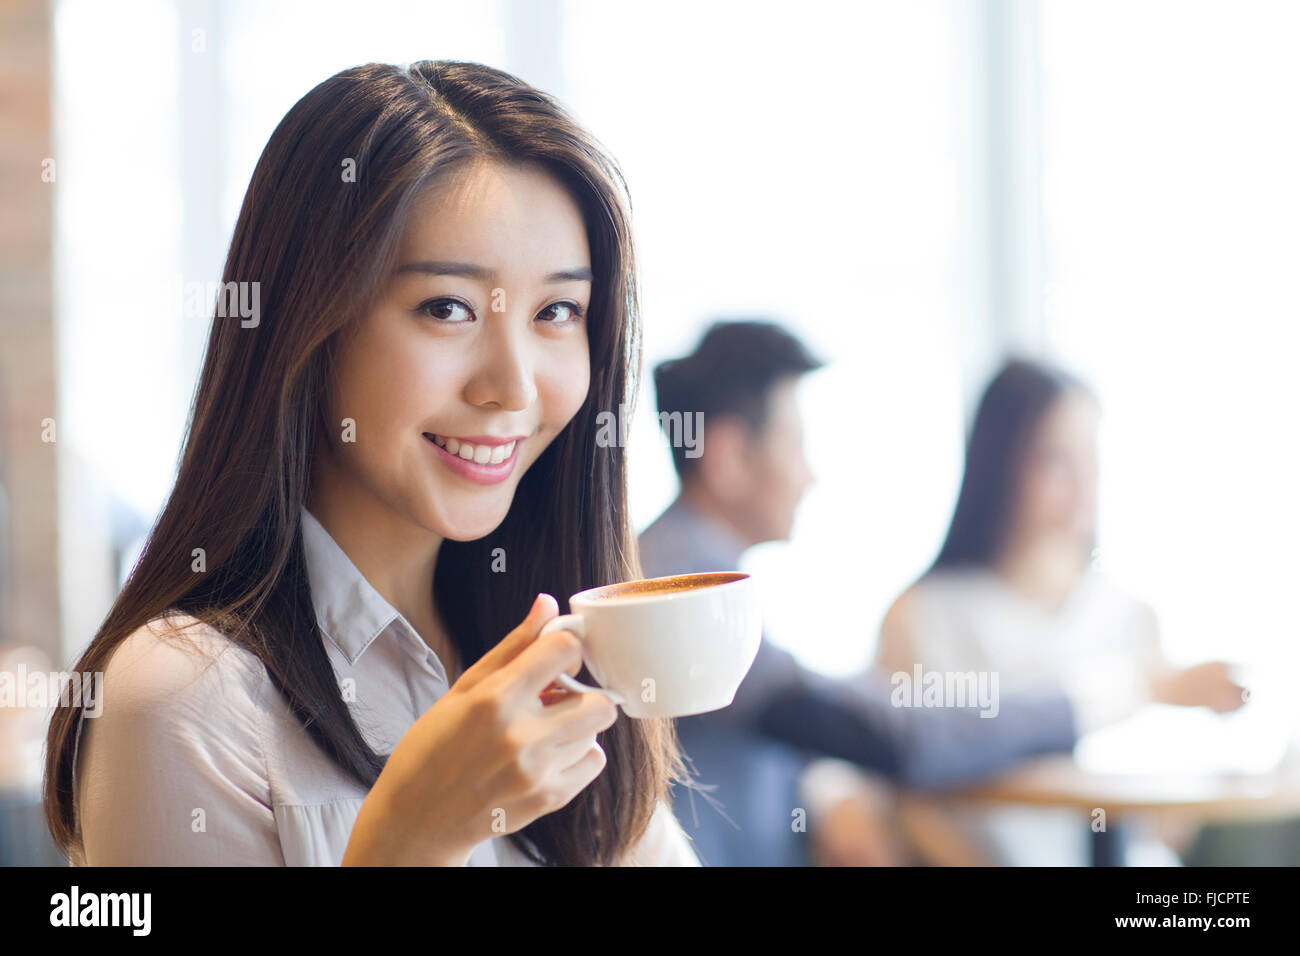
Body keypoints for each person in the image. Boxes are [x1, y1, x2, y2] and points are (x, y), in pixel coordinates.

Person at [43, 61, 698, 866]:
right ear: (308, 326)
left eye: (557, 311)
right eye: (447, 308)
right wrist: (408, 844)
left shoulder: (562, 653)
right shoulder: (184, 697)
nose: (513, 386)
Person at [639, 323, 1245, 866]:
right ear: (726, 457)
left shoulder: (691, 571)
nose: (810, 475)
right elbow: (875, 732)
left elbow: (781, 725)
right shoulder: (684, 592)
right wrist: (1121, 692)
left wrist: (823, 793)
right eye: (795, 444)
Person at [871, 358, 1246, 865]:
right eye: (1055, 459)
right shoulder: (923, 614)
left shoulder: (1130, 614)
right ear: (1000, 462)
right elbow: (900, 791)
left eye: (1090, 458)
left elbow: (1168, 814)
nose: (1082, 481)